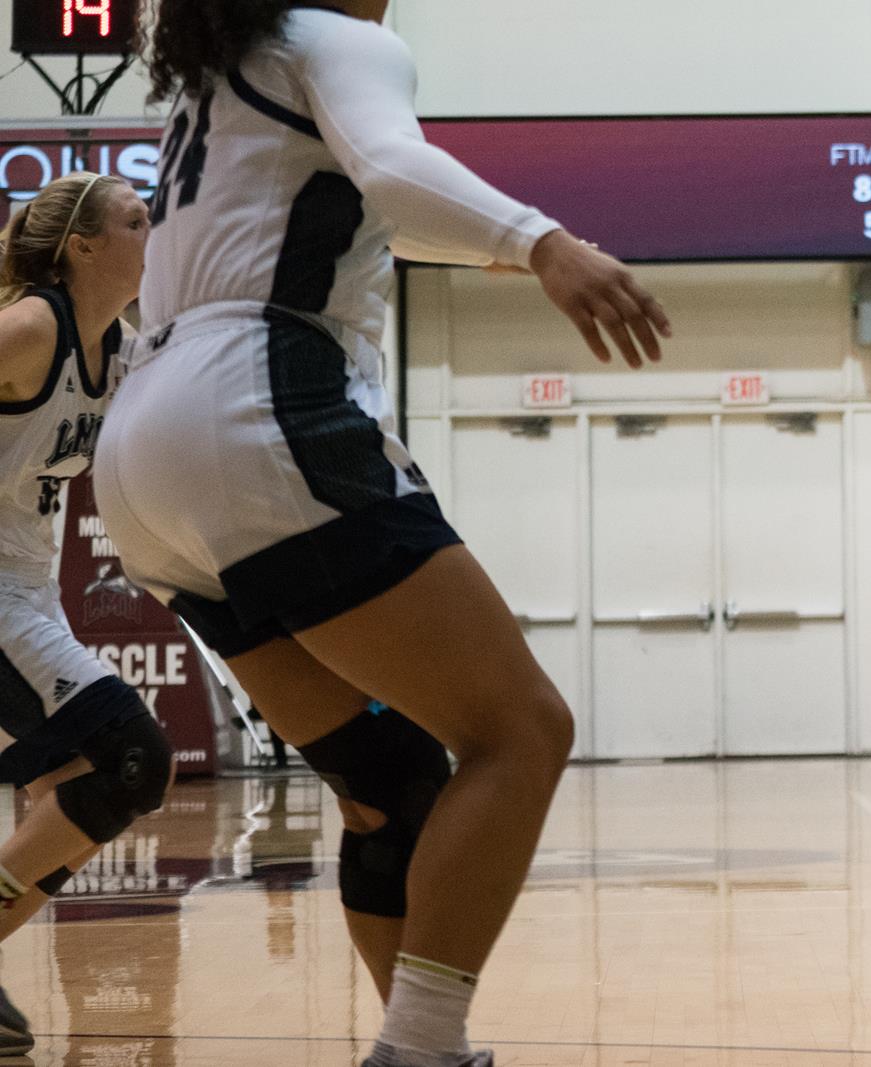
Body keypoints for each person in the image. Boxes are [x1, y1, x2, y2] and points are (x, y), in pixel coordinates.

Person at [97, 4, 670, 1066]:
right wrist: (538, 242)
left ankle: (422, 1047)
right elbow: (394, 163)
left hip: (146, 448)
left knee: (391, 782)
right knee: (522, 729)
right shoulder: (338, 37)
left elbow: (373, 203)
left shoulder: (223, 70)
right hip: (252, 403)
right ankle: (419, 1048)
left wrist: (495, 249)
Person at [0, 172, 174, 1054]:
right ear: (84, 245)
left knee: (68, 796)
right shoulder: (31, 327)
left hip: (31, 594)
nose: (158, 227)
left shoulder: (125, 348)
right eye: (139, 218)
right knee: (136, 759)